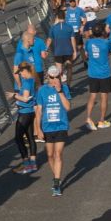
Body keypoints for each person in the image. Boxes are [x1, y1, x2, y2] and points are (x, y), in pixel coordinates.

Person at [35, 66, 76, 195]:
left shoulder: (64, 88)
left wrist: (59, 92)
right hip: (47, 127)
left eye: (56, 77)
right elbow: (39, 111)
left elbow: (68, 107)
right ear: (47, 77)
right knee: (50, 155)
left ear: (60, 76)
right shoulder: (42, 90)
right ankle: (56, 177)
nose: (54, 80)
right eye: (52, 77)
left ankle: (57, 182)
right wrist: (38, 129)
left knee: (58, 154)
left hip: (61, 126)